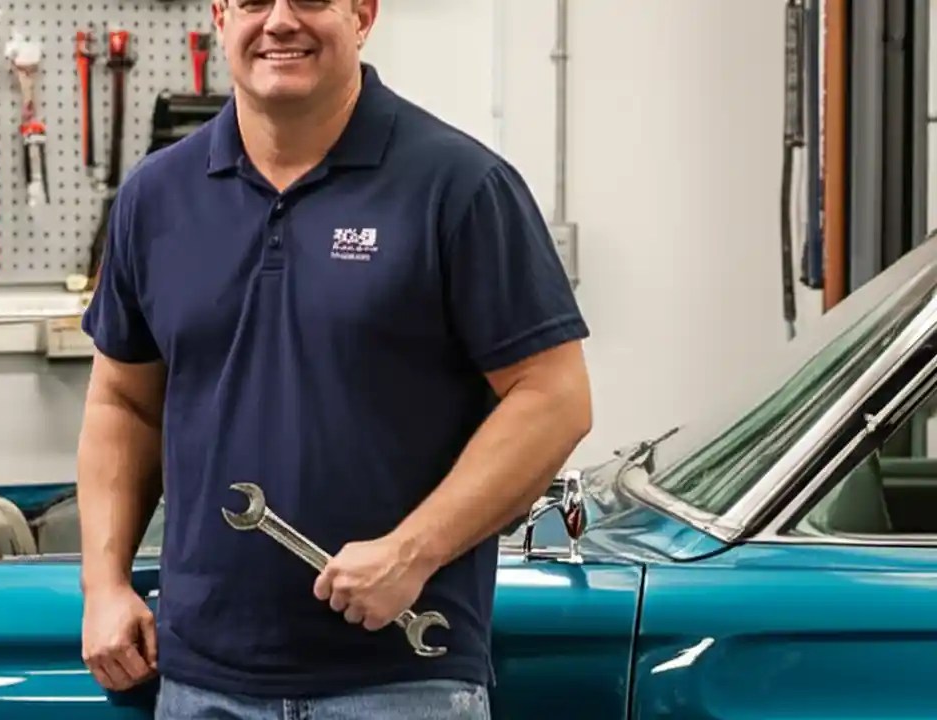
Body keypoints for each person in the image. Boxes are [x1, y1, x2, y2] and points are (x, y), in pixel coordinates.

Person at [75, 0, 593, 717]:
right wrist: (104, 585)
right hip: (200, 682)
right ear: (221, 16)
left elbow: (554, 396)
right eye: (254, 1)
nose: (281, 21)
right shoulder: (155, 198)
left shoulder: (460, 186)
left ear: (362, 14)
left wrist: (413, 551)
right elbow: (122, 403)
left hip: (402, 680)